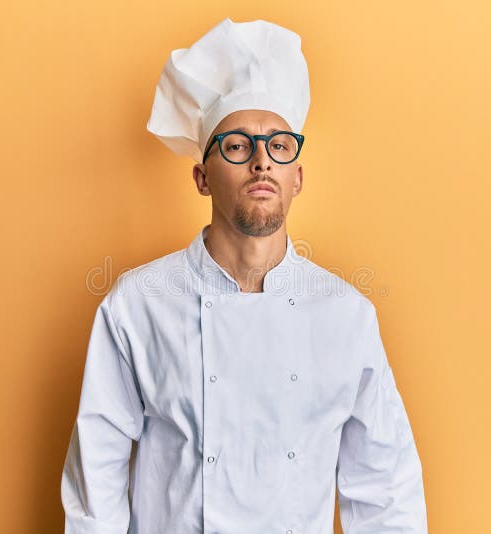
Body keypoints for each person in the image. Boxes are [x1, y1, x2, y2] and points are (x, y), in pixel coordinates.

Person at [61, 17, 428, 534]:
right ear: (201, 177)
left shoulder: (348, 317)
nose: (261, 162)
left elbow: (386, 492)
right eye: (237, 145)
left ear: (296, 177)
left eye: (279, 145)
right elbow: (94, 486)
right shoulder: (136, 307)